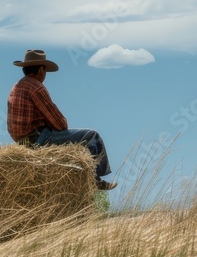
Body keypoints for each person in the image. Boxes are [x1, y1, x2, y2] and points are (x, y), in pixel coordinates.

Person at [7, 49, 116, 191]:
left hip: (22, 141)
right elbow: (60, 124)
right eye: (45, 72)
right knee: (92, 136)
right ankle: (95, 180)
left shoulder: (16, 87)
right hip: (39, 138)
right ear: (41, 70)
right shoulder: (36, 87)